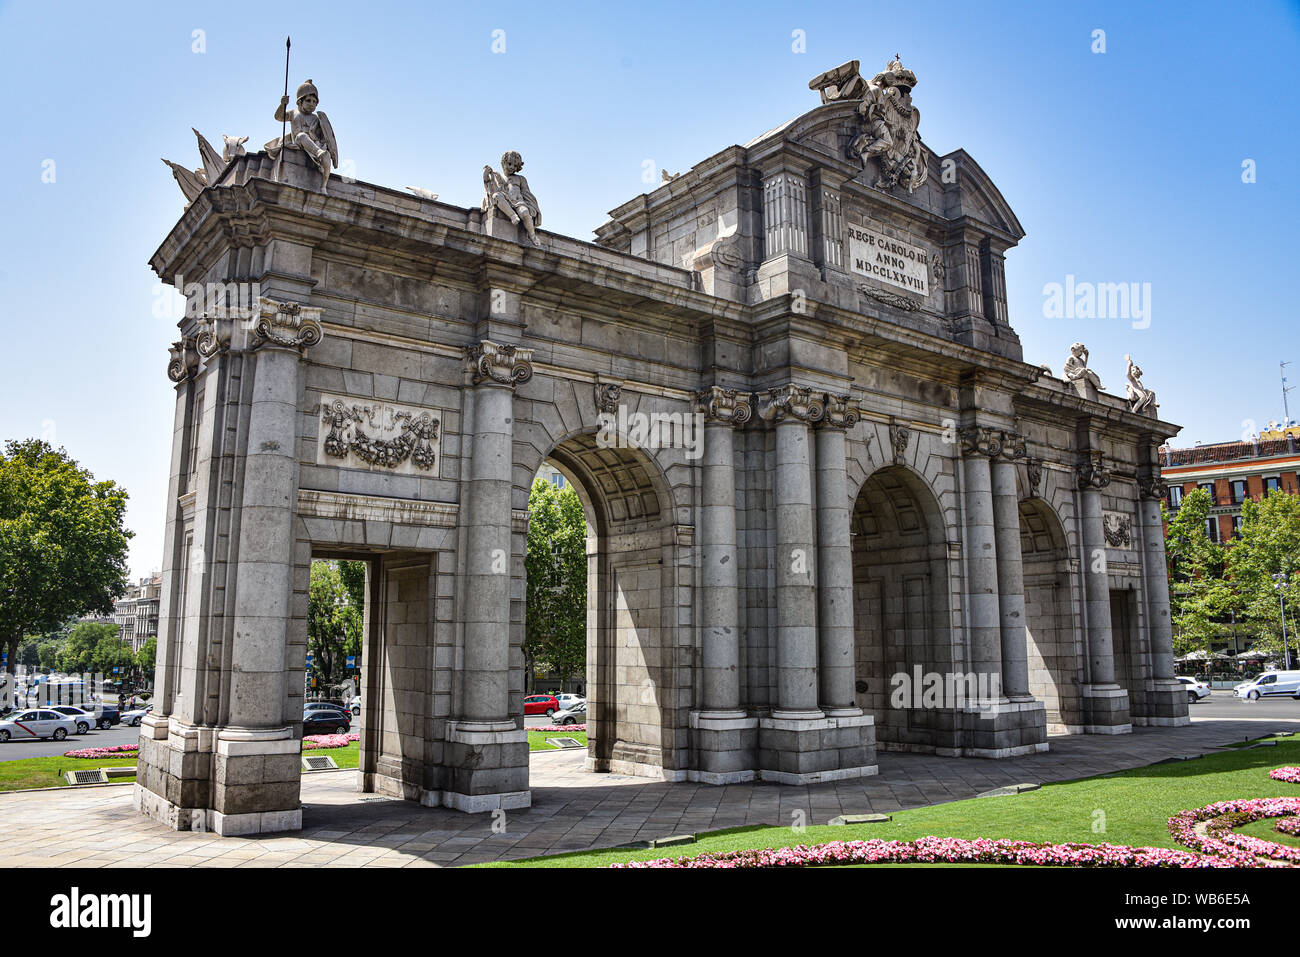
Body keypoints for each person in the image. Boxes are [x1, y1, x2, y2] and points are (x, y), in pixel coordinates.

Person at [266, 79, 338, 191]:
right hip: (299, 142)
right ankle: (319, 154)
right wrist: (282, 105)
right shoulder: (294, 113)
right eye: (308, 100)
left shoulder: (316, 118)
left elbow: (324, 136)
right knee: (301, 136)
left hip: (313, 145)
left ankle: (323, 186)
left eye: (315, 102)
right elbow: (279, 117)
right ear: (300, 102)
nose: (312, 104)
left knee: (326, 155)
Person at [482, 151, 542, 245]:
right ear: (503, 163)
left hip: (519, 202)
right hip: (504, 200)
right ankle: (513, 216)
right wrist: (486, 176)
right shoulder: (497, 175)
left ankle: (532, 235)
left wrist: (531, 205)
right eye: (509, 164)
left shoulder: (521, 179)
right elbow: (491, 188)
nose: (512, 168)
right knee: (496, 196)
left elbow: (526, 193)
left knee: (525, 212)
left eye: (515, 166)